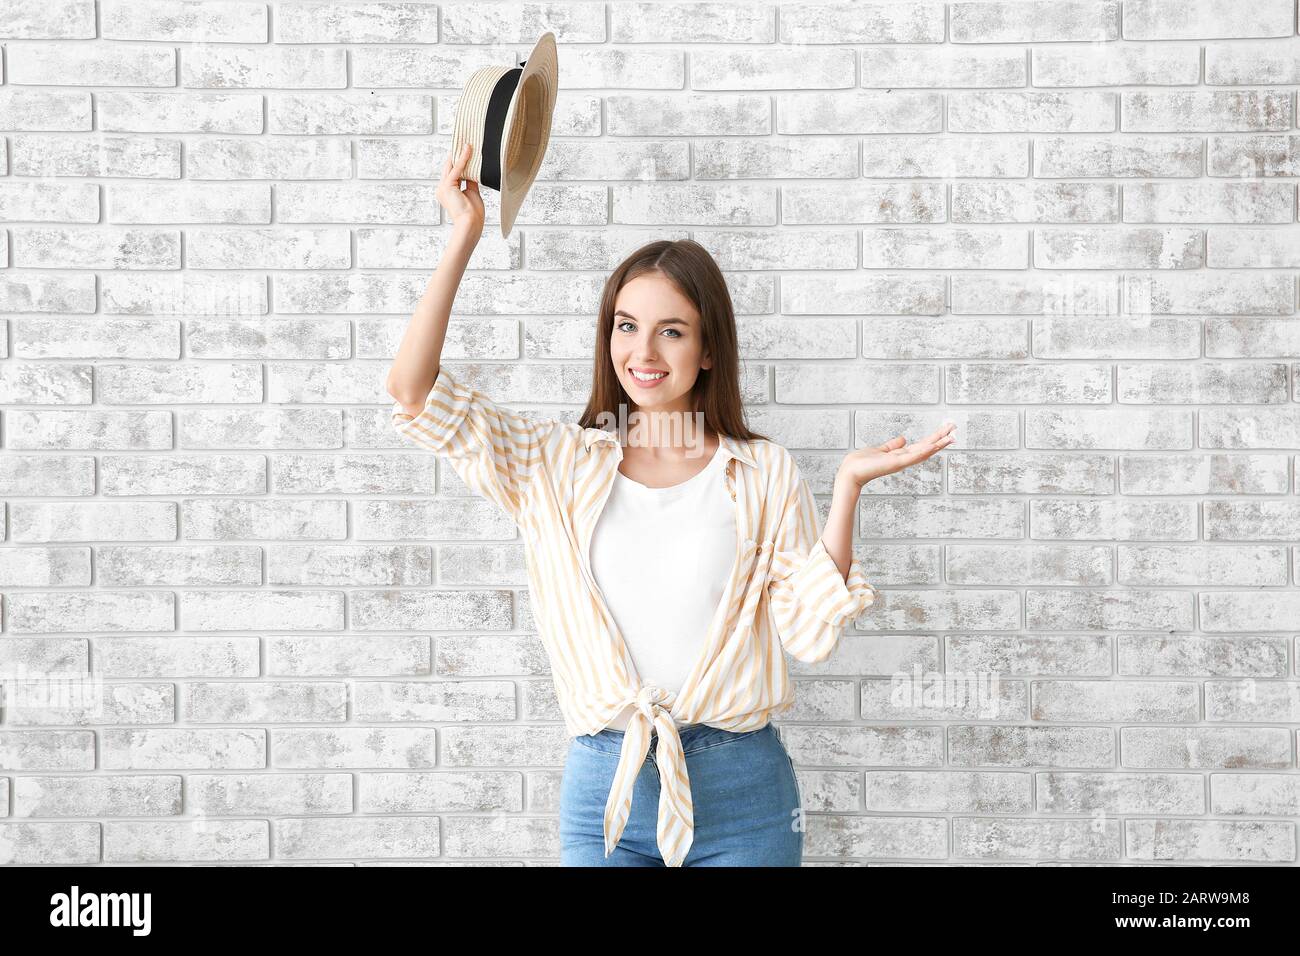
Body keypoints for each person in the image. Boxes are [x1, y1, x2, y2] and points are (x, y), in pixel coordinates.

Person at [387, 143, 957, 866]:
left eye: (672, 331)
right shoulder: (554, 463)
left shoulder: (761, 472)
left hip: (742, 792)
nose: (644, 352)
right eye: (626, 325)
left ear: (708, 349)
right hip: (606, 788)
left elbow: (809, 631)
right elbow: (413, 392)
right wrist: (464, 232)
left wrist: (847, 486)